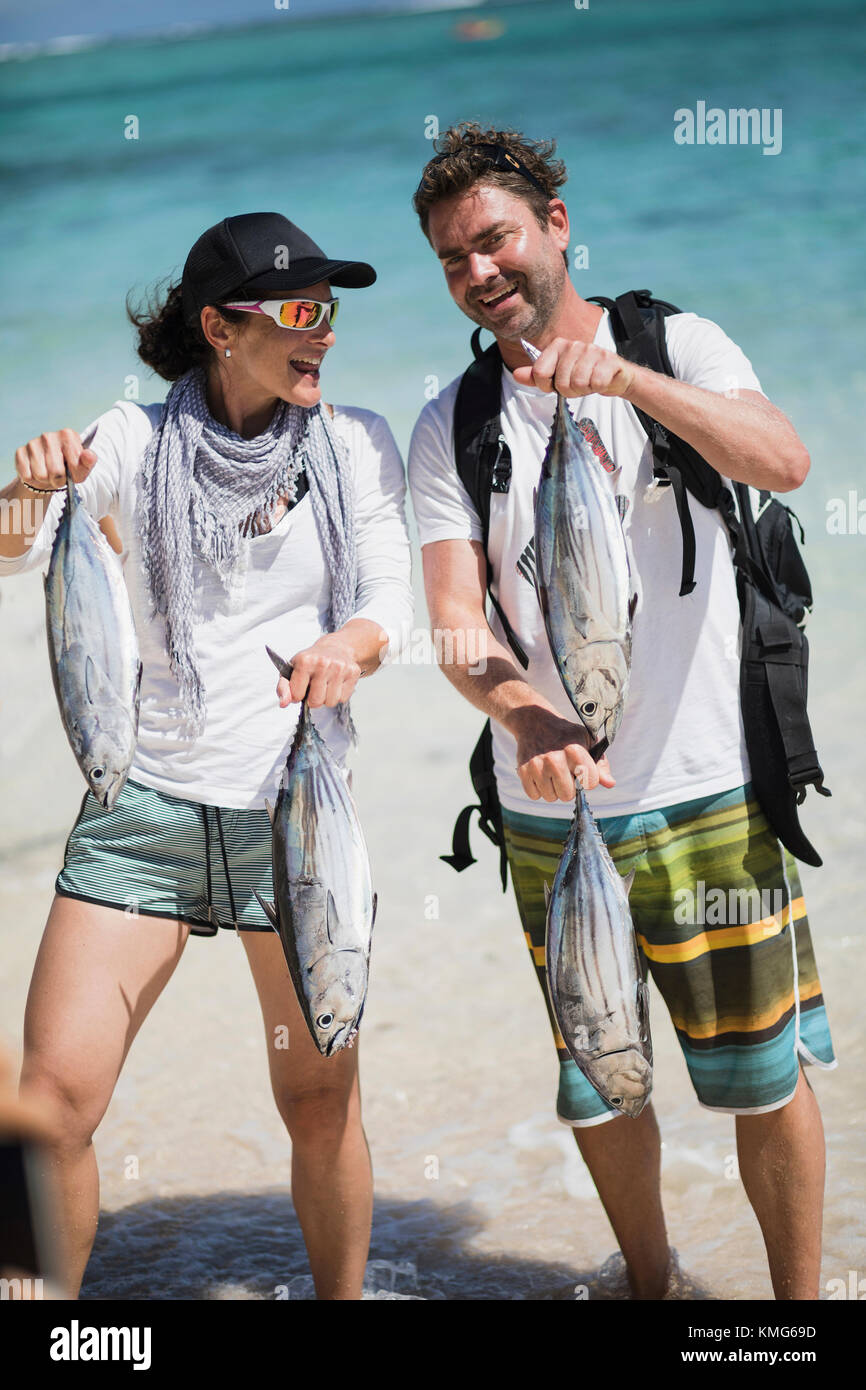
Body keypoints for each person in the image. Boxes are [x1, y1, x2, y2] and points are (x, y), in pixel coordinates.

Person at [407, 124, 834, 1300]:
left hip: (709, 788)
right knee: (599, 1073)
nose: (477, 273)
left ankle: (792, 1320)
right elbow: (453, 618)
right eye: (450, 260)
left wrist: (628, 383)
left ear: (554, 222)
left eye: (491, 240)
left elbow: (784, 459)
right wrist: (527, 719)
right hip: (553, 816)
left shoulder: (675, 342)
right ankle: (655, 1288)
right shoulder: (452, 421)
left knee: (764, 1072)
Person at [0, 211, 413, 1300]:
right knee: (52, 1106)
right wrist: (27, 489)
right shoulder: (128, 442)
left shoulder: (354, 440)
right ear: (217, 329)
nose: (320, 330)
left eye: (327, 309)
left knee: (320, 1106)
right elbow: (13, 554)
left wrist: (349, 647)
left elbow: (384, 600)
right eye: (293, 310)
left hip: (296, 820)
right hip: (143, 808)